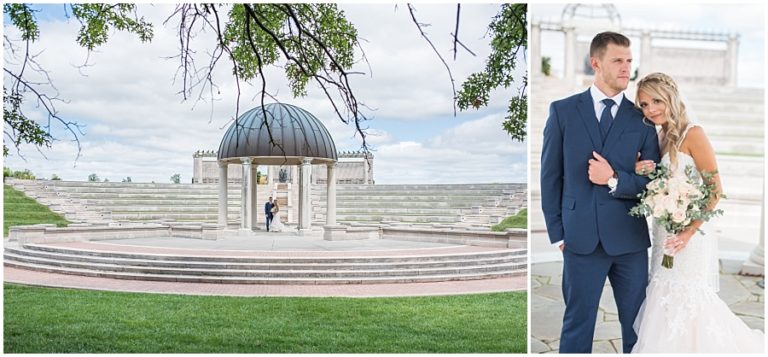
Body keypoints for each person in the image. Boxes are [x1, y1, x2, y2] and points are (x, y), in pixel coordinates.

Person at [540, 31, 661, 353]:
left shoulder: (642, 119)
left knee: (638, 325)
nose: (626, 68)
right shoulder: (563, 111)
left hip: (629, 241)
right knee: (578, 324)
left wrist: (615, 179)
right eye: (618, 60)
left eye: (630, 61)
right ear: (596, 63)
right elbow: (550, 177)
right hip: (580, 240)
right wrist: (558, 234)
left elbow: (654, 183)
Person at [630, 72, 764, 353]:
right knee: (662, 295)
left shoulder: (694, 134)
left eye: (656, 100)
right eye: (644, 104)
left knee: (688, 299)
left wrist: (689, 231)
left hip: (690, 238)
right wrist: (641, 171)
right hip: (664, 232)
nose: (651, 109)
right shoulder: (659, 136)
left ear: (671, 98)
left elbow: (715, 190)